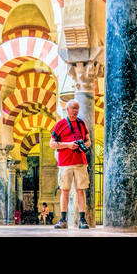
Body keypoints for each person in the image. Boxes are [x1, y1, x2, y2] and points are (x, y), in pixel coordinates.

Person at [48, 98, 90, 229]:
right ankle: (62, 220)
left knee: (80, 191)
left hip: (80, 162)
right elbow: (52, 144)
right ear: (67, 109)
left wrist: (85, 144)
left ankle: (82, 220)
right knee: (64, 191)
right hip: (65, 163)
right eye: (73, 108)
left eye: (77, 108)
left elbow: (88, 141)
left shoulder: (81, 124)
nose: (76, 111)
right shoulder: (60, 124)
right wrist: (68, 145)